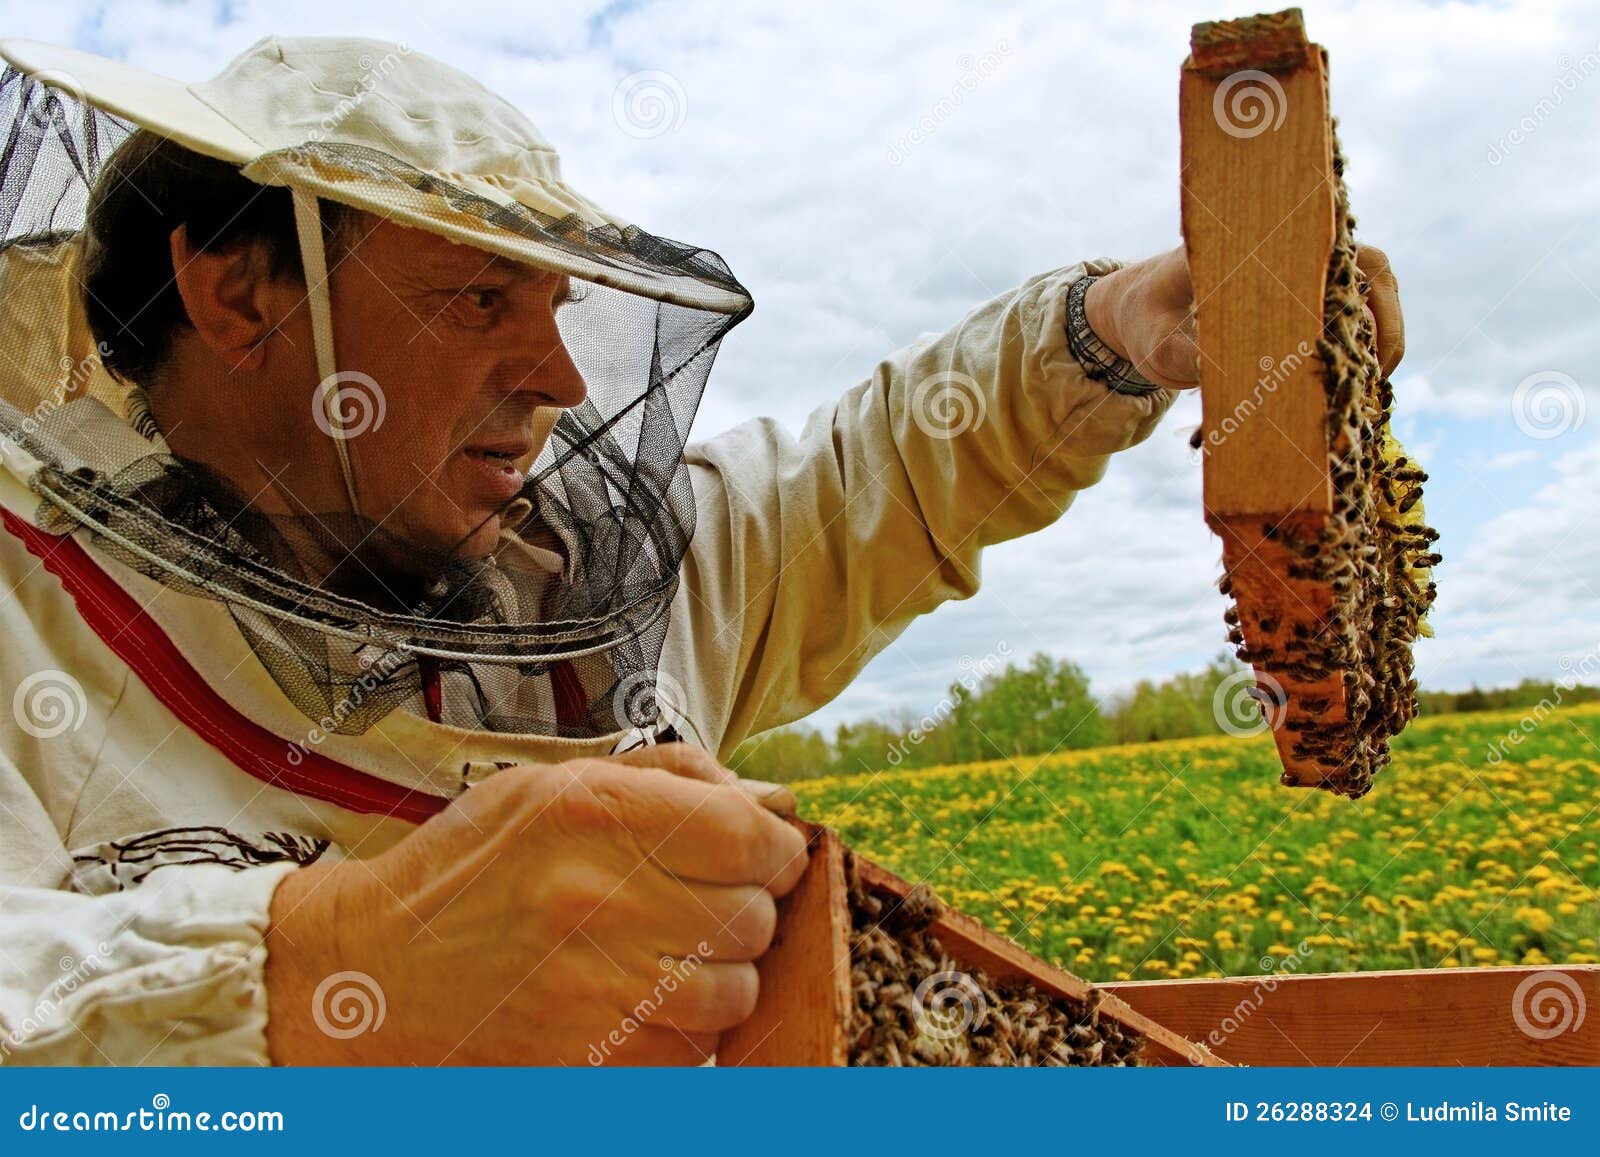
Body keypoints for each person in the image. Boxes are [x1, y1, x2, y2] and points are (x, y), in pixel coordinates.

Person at [0, 35, 1403, 1065]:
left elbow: (875, 475)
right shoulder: (28, 612)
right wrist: (328, 969)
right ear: (239, 294)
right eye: (479, 297)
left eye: (558, 308)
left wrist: (1116, 329)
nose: (559, 379)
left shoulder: (582, 575)